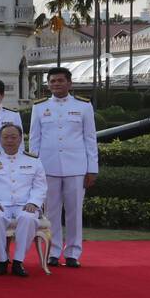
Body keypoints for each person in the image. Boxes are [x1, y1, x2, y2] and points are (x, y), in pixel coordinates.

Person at [30, 67, 98, 268]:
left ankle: (73, 253)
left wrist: (92, 168)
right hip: (48, 166)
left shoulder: (84, 106)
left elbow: (90, 138)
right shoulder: (40, 107)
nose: (56, 84)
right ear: (48, 84)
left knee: (74, 212)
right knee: (51, 212)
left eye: (60, 81)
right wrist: (34, 168)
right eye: (52, 81)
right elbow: (34, 140)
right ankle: (53, 251)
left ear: (69, 83)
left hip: (76, 167)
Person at [0, 123, 47, 277]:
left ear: (20, 139)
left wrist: (34, 203)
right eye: (5, 137)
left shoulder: (33, 160)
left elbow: (40, 186)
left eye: (13, 137)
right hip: (0, 204)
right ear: (0, 139)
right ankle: (2, 260)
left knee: (28, 218)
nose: (9, 140)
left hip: (25, 205)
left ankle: (18, 261)